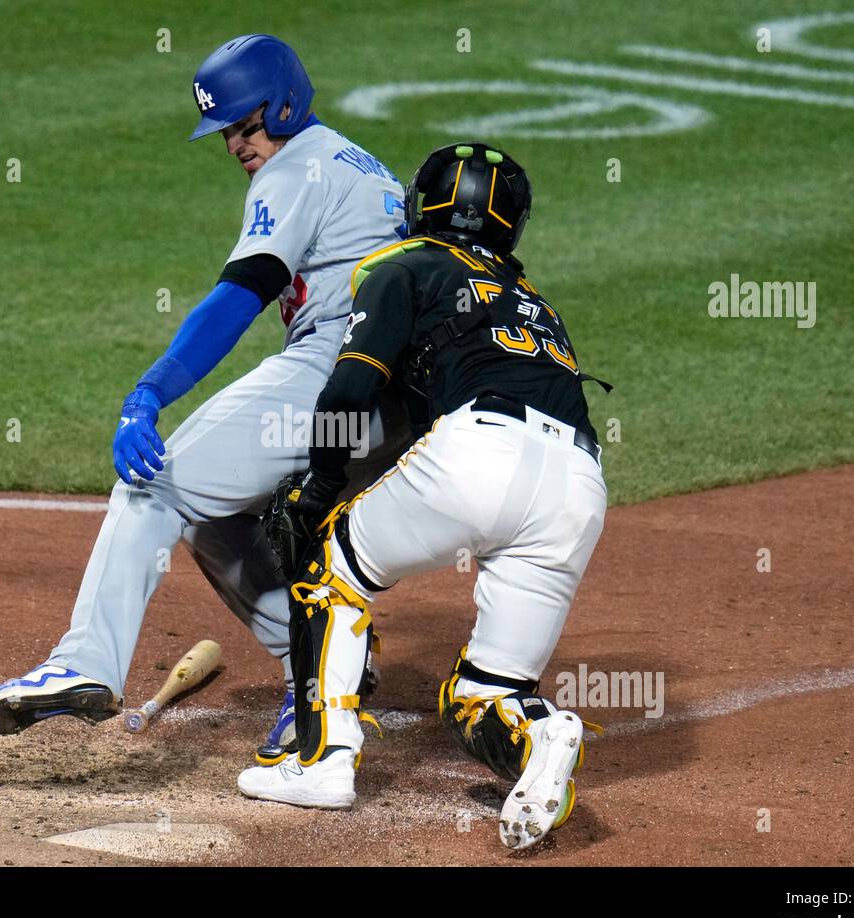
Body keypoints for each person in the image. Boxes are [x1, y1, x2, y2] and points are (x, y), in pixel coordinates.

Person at [0, 34, 408, 761]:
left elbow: (238, 298)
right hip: (397, 403)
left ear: (286, 101)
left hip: (336, 372)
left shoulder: (296, 169)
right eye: (227, 131)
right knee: (212, 515)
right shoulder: (358, 162)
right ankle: (323, 675)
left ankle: (86, 664)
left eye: (247, 123)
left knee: (154, 484)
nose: (237, 142)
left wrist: (149, 392)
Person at [237, 143, 609, 849]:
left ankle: (320, 761)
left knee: (326, 567)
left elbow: (348, 388)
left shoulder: (404, 265)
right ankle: (541, 735)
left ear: (424, 206)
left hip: (480, 456)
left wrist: (317, 490)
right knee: (486, 696)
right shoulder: (534, 302)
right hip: (578, 488)